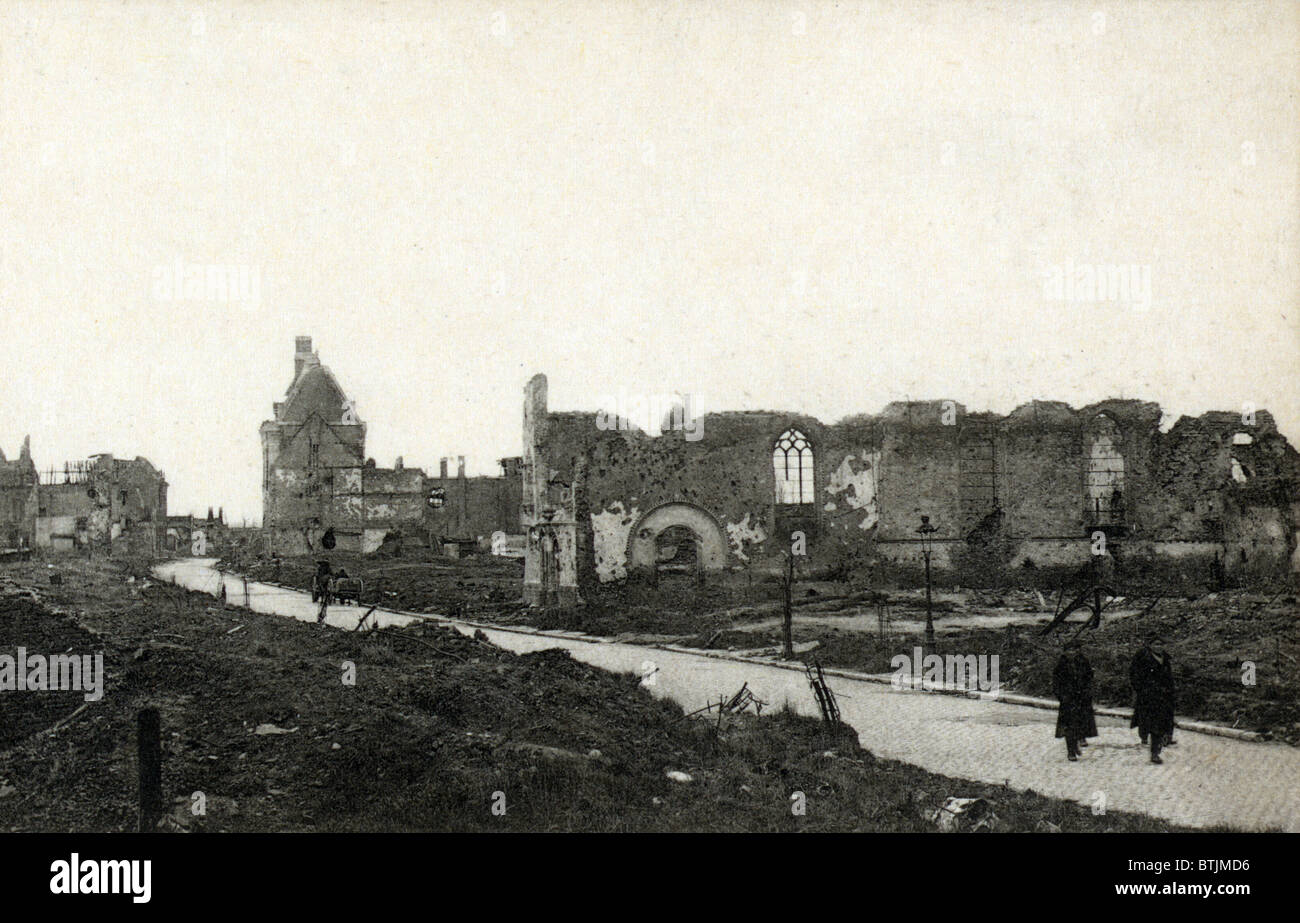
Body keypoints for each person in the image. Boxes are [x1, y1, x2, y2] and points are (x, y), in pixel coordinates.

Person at [1130, 635, 1176, 764]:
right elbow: (1134, 676)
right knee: (1152, 724)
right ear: (1150, 646)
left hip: (1164, 697)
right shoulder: (1143, 659)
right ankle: (1151, 748)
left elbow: (1169, 678)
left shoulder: (1165, 659)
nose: (1159, 647)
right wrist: (1141, 690)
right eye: (1156, 644)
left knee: (1160, 725)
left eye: (1161, 644)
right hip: (1148, 697)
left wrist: (1170, 692)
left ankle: (1156, 751)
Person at [1053, 639, 1098, 761]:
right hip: (1068, 700)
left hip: (1082, 699)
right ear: (1065, 652)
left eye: (1075, 649)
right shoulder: (1061, 664)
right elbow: (1056, 683)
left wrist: (1088, 692)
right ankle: (1071, 751)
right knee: (1069, 726)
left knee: (1080, 723)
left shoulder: (1083, 662)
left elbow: (1090, 678)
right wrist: (1061, 696)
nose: (1072, 652)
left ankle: (1076, 744)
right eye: (1069, 650)